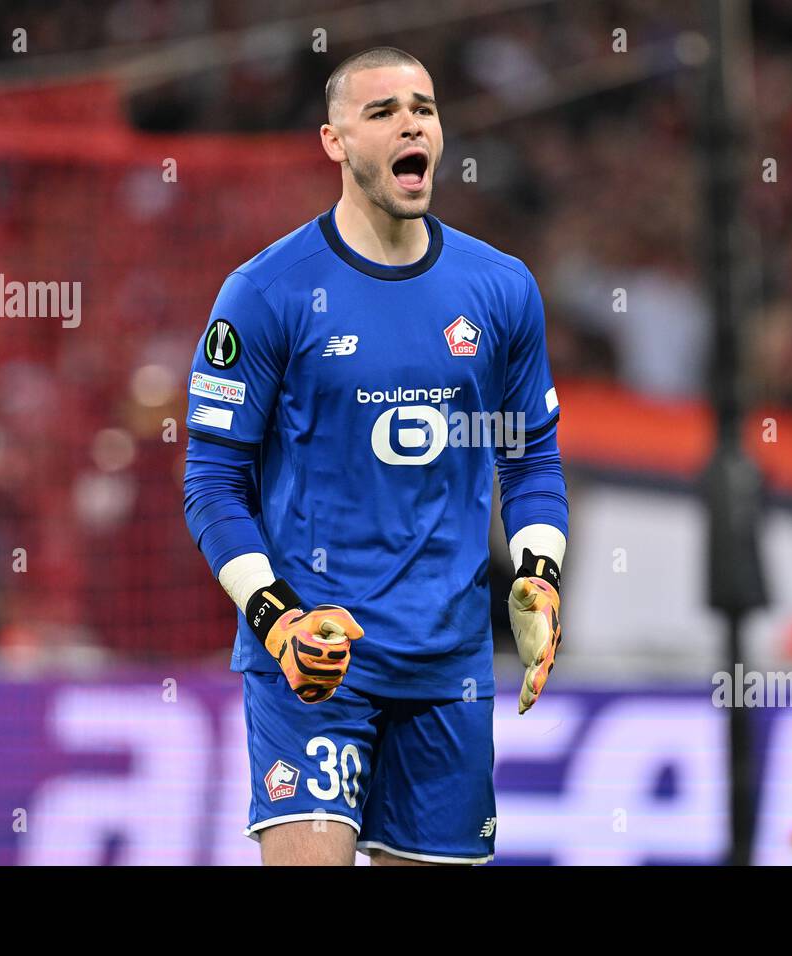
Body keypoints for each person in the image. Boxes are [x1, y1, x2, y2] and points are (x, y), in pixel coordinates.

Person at [182, 47, 568, 866]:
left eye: (424, 108)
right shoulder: (265, 292)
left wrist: (538, 573)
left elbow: (531, 460)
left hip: (447, 667)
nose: (411, 123)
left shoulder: (500, 289)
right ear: (334, 141)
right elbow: (213, 485)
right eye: (383, 111)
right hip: (318, 659)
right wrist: (277, 620)